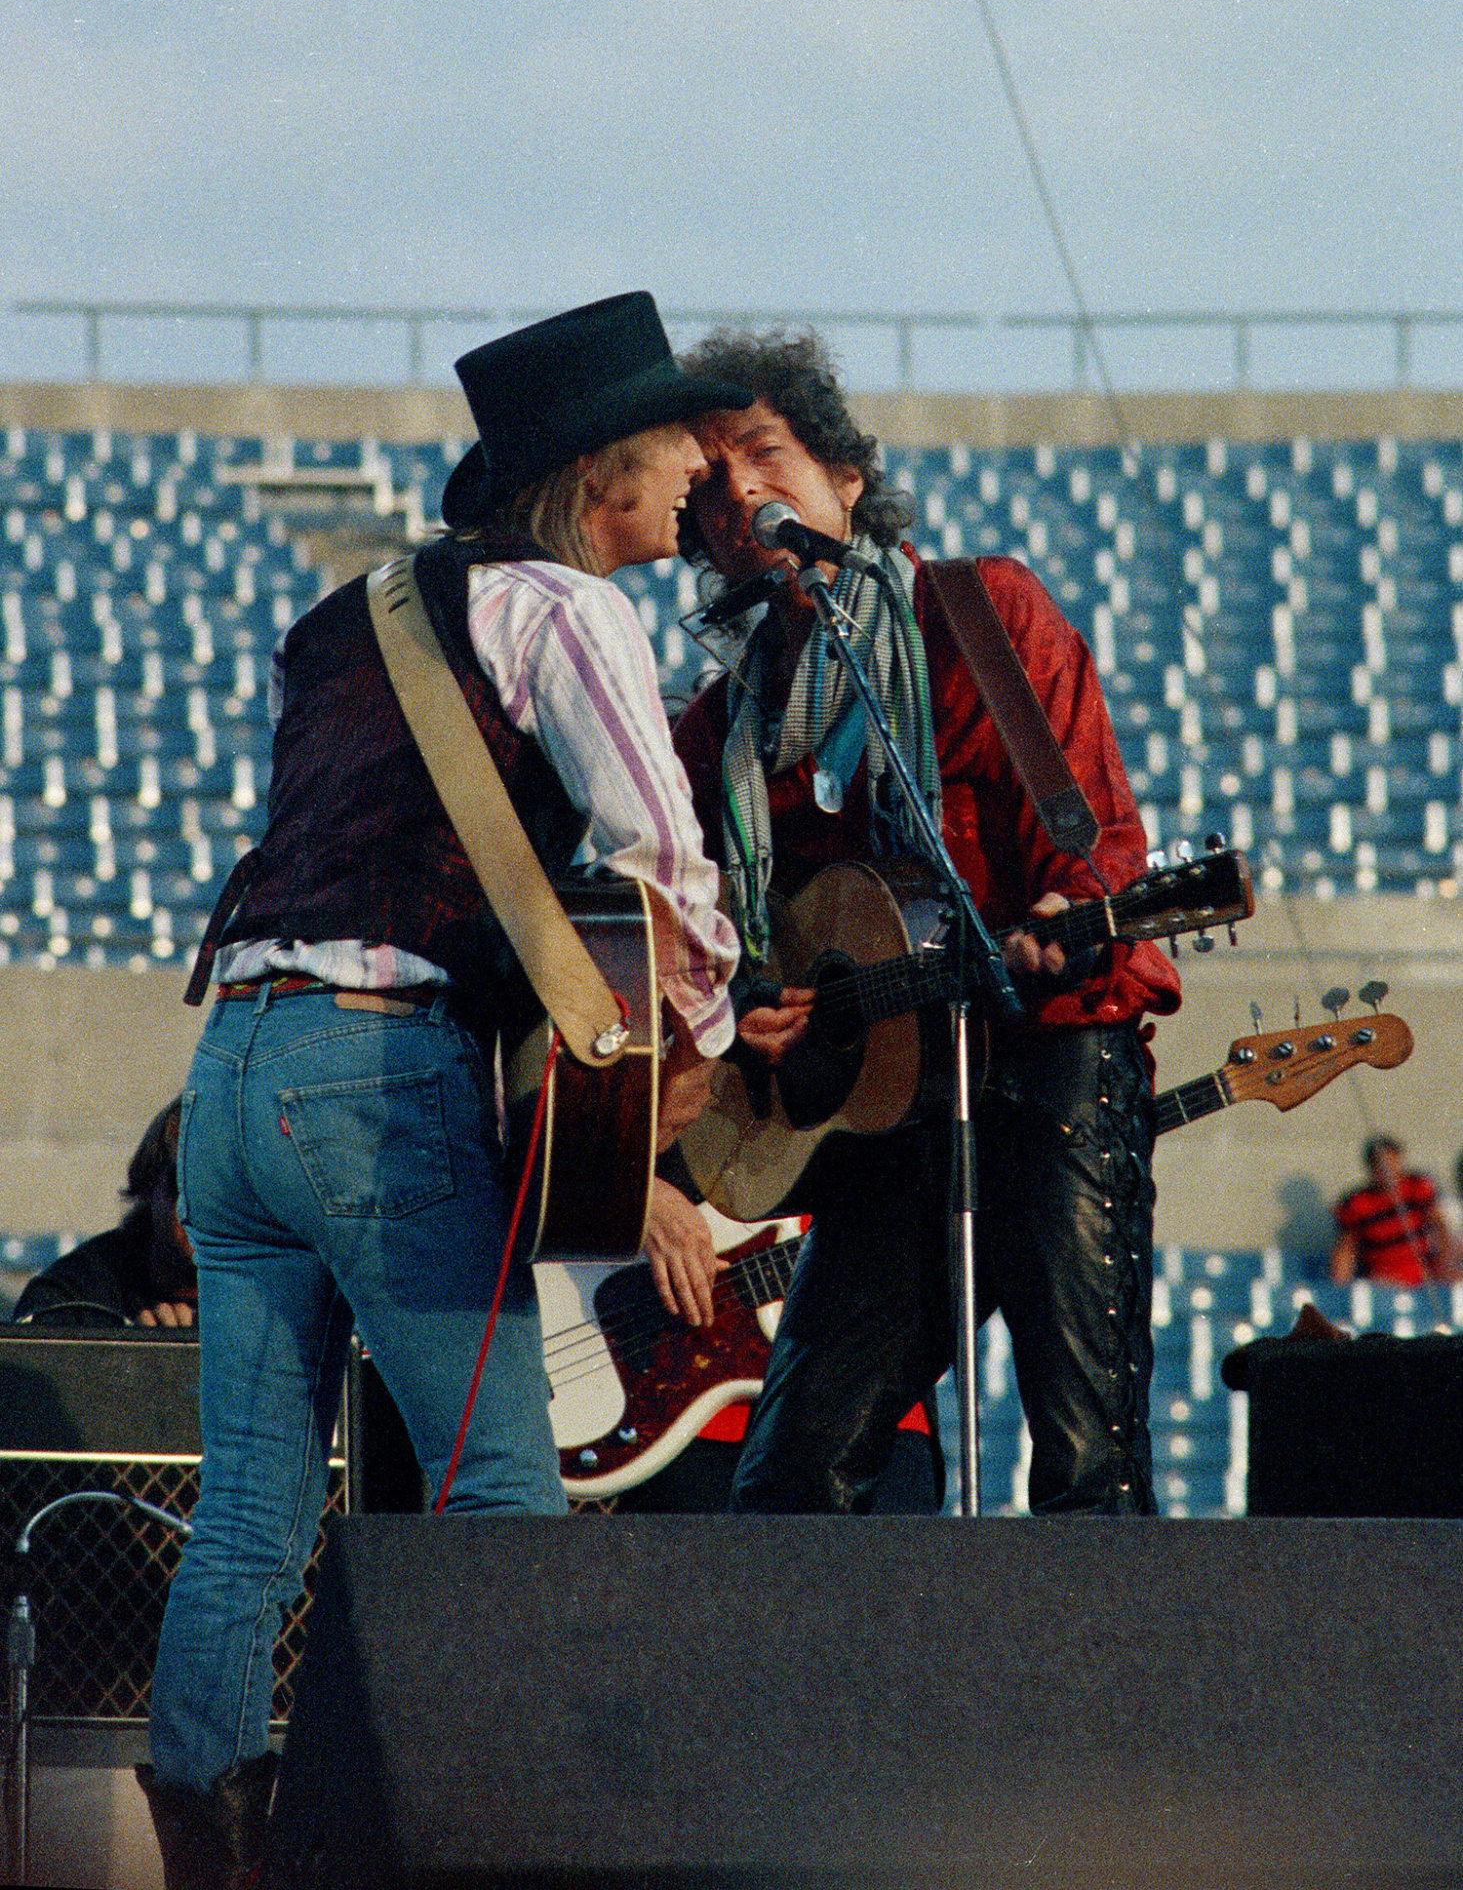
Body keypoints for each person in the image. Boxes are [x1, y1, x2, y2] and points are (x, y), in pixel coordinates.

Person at [139, 293, 747, 1888]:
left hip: (231, 1069)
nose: (700, 467)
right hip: (374, 1078)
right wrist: (705, 1036)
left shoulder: (346, 612)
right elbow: (659, 861)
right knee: (497, 1486)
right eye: (678, 439)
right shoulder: (562, 607)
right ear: (604, 467)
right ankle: (507, 1848)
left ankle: (205, 1851)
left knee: (250, 1523)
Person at [670, 326, 1182, 1518]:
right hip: (882, 1117)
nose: (740, 490)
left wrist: (1069, 906)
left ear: (843, 478)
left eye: (763, 454)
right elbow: (704, 935)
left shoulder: (979, 613)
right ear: (696, 537)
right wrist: (752, 1007)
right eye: (707, 485)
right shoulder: (718, 730)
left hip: (1049, 1051)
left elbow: (1091, 829)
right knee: (792, 1477)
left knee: (1083, 1468)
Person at [12, 1097, 195, 1327]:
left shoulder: (255, 1300)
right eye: (190, 1186)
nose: (212, 1209)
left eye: (235, 1195)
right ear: (149, 1186)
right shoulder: (75, 1299)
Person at [1329, 1134, 1457, 1286]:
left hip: (1426, 1277)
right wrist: (1340, 1288)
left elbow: (1440, 1230)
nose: (1388, 1171)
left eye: (1392, 1164)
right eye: (1380, 1166)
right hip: (1383, 1282)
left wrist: (1447, 1270)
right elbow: (1346, 1250)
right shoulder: (1357, 1204)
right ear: (1371, 1168)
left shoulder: (1417, 1188)